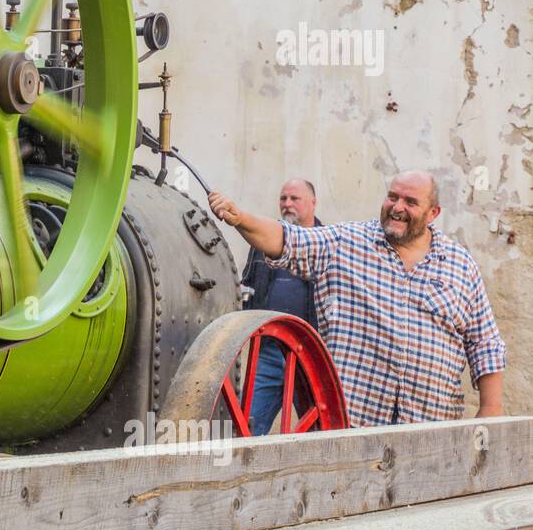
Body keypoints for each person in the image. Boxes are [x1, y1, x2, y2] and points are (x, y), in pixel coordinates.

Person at [208, 171, 505, 426]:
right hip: (351, 429)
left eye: (410, 202)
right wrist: (240, 218)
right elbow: (287, 240)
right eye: (392, 197)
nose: (397, 207)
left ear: (433, 214)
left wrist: (491, 408)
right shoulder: (345, 243)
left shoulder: (460, 265)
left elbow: (484, 342)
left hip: (430, 430)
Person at [240, 179, 323, 434]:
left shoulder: (326, 244)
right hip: (269, 353)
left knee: (317, 433)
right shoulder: (262, 246)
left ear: (312, 203)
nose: (287, 204)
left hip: (309, 353)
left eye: (294, 199)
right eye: (283, 198)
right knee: (248, 427)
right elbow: (248, 287)